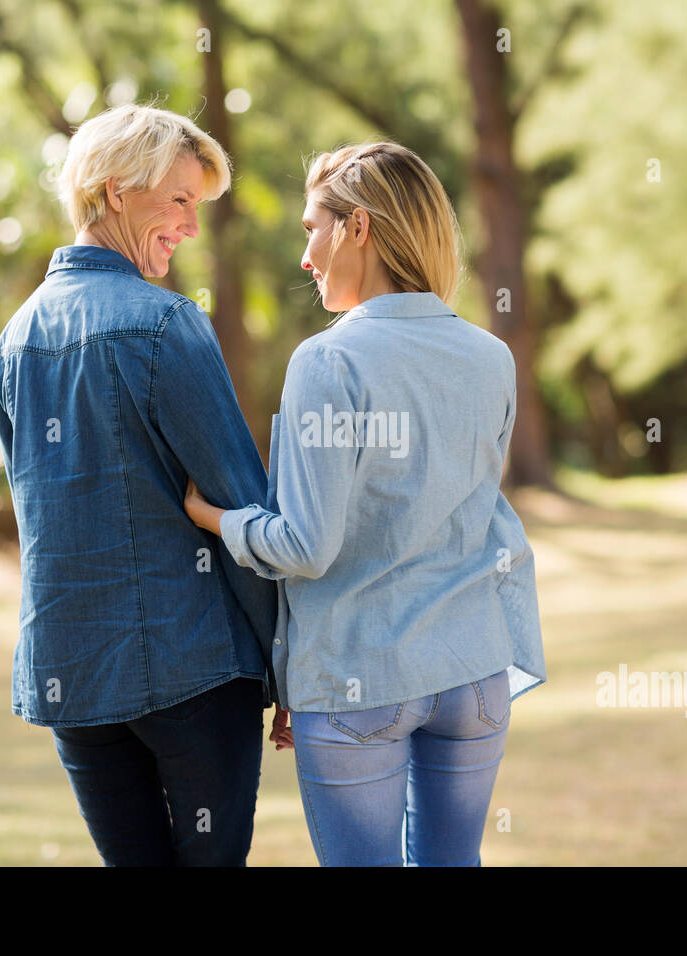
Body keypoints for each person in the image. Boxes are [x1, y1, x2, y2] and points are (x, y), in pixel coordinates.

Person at [184, 141, 546, 866]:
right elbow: (471, 511)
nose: (305, 256)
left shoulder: (329, 361)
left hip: (360, 682)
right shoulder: (490, 356)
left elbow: (306, 547)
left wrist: (215, 517)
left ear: (360, 228)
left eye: (313, 228)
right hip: (473, 674)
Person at [0, 105, 280, 866]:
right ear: (116, 192)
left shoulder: (13, 340)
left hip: (72, 679)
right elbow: (239, 500)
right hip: (195, 671)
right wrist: (291, 665)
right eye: (179, 200)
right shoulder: (165, 324)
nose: (190, 224)